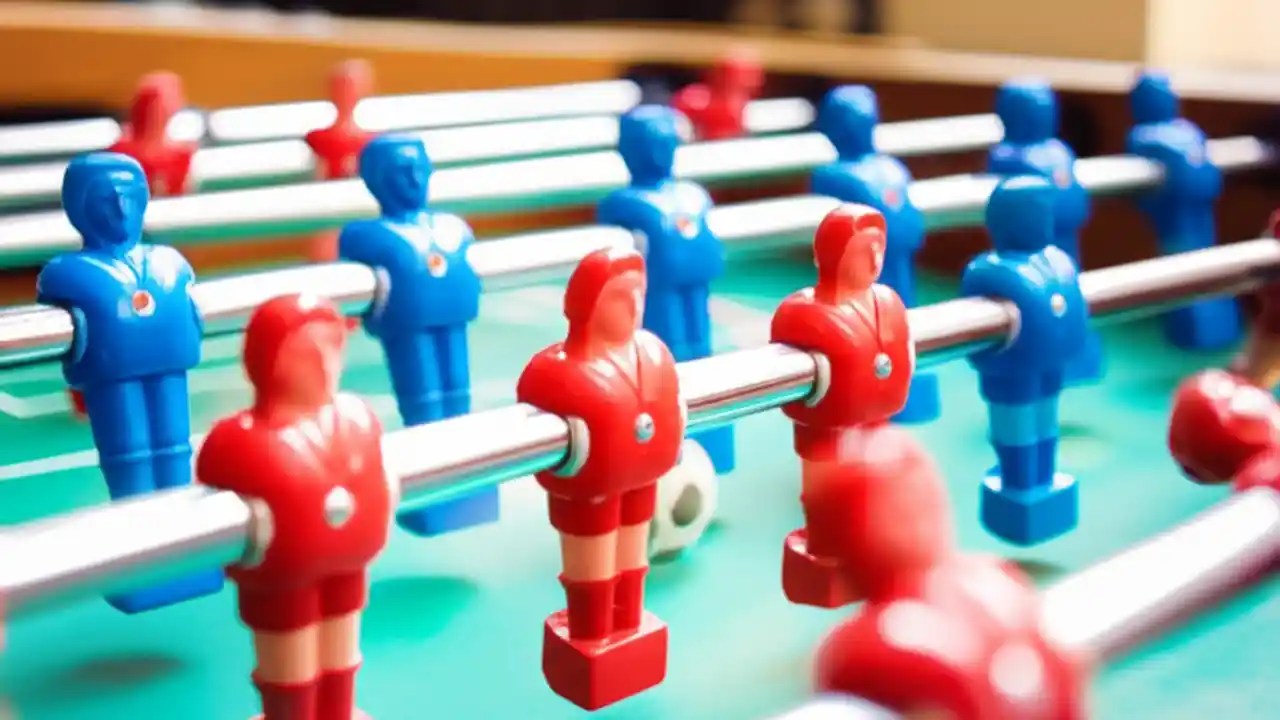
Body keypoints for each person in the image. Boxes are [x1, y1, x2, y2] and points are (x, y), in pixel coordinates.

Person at [197, 294, 395, 720]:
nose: (325, 365)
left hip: (349, 563)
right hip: (282, 579)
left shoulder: (359, 419)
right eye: (306, 353)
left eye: (334, 347)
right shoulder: (240, 442)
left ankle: (339, 711)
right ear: (269, 361)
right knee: (291, 656)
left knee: (342, 646)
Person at [37, 152, 219, 613]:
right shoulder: (69, 272)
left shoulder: (169, 263)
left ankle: (186, 550)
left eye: (130, 196)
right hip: (113, 376)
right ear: (78, 206)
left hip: (167, 366)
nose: (120, 208)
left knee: (175, 453)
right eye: (105, 198)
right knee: (132, 460)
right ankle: (141, 558)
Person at [516, 248, 684, 710]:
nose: (633, 307)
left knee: (632, 555)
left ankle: (628, 619)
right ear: (588, 305)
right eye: (619, 298)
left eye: (638, 295)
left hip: (641, 474)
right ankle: (590, 630)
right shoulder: (557, 370)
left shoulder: (653, 354)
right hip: (589, 489)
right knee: (593, 561)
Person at [770, 205, 913, 607]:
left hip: (876, 420)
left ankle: (867, 538)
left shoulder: (887, 304)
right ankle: (826, 547)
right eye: (864, 249)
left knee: (874, 489)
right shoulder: (803, 314)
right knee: (825, 501)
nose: (875, 260)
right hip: (823, 433)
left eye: (878, 248)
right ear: (835, 255)